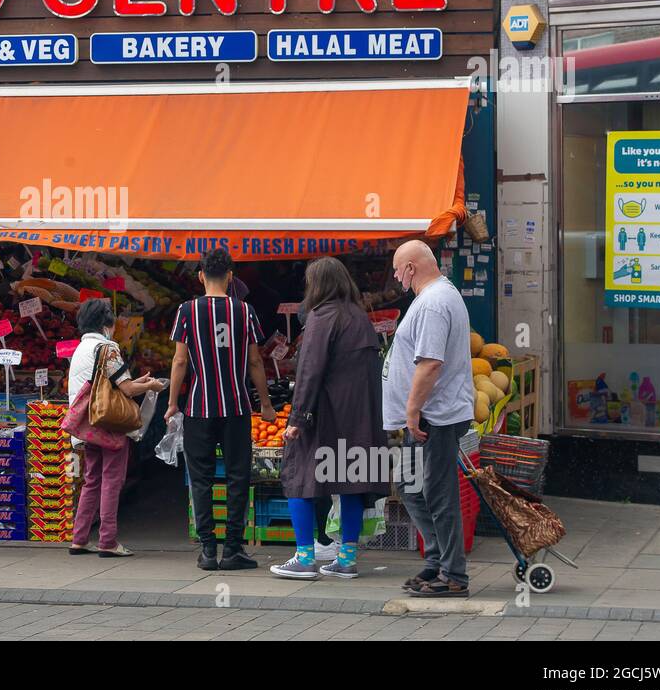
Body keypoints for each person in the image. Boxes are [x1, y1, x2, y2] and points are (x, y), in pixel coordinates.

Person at [270, 257, 388, 580]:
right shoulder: (358, 316)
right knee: (352, 482)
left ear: (318, 284)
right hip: (360, 416)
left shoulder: (323, 317)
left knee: (298, 476)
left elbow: (310, 370)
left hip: (326, 415)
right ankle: (346, 558)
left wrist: (297, 418)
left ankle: (305, 557)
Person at [165, 247, 276, 571]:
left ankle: (208, 551)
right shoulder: (245, 311)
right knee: (237, 478)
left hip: (199, 407)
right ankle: (232, 550)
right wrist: (266, 405)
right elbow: (255, 361)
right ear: (230, 276)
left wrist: (173, 403)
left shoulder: (187, 310)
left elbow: (180, 360)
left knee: (200, 479)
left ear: (201, 275)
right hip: (236, 407)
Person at [384, 239, 475, 597]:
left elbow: (431, 362)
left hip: (433, 417)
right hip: (424, 418)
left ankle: (453, 576)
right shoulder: (431, 298)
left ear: (410, 268)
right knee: (410, 486)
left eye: (396, 269)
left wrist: (411, 410)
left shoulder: (436, 302)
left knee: (438, 493)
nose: (394, 276)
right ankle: (438, 561)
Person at [67, 297, 164, 558]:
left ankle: (79, 538)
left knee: (92, 480)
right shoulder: (107, 348)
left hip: (88, 424)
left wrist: (139, 381)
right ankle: (108, 540)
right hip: (108, 423)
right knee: (112, 480)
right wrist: (151, 386)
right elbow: (127, 388)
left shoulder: (79, 349)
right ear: (106, 323)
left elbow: (110, 382)